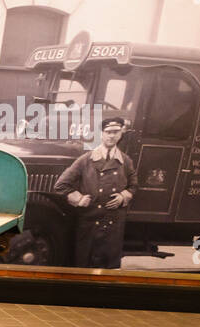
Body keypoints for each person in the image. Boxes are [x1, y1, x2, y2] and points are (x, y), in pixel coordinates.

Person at [53, 110, 137, 268]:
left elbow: (133, 186)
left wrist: (123, 196)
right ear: (101, 134)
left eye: (116, 132)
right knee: (85, 264)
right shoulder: (86, 160)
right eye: (108, 132)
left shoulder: (126, 161)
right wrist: (78, 199)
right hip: (90, 221)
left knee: (108, 269)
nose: (112, 136)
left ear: (121, 135)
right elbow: (61, 185)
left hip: (114, 225)